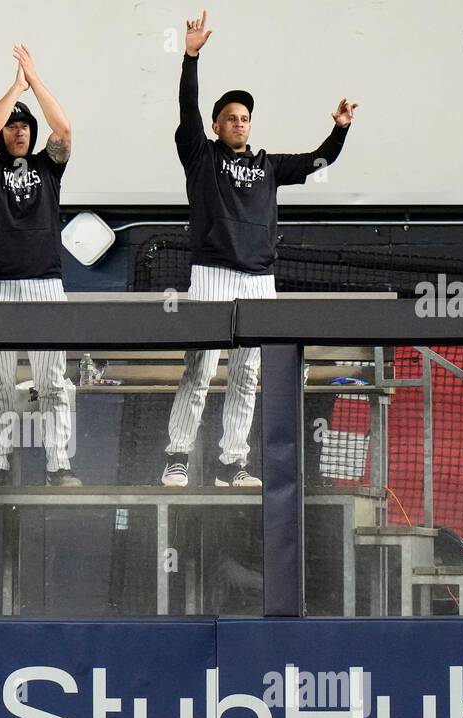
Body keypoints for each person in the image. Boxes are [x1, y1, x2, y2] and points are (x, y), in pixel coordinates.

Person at [161, 11, 356, 488]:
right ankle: (178, 456)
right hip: (212, 273)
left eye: (245, 118)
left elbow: (318, 160)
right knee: (201, 370)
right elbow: (187, 108)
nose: (240, 124)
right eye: (231, 118)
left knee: (247, 373)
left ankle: (233, 462)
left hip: (259, 278)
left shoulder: (269, 166)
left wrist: (340, 129)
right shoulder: (200, 156)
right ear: (216, 125)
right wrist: (191, 55)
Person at [0, 44, 80, 487]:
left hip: (45, 285)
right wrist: (14, 87)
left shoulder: (48, 168)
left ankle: (58, 464)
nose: (18, 132)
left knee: (53, 383)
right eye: (12, 126)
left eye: (24, 126)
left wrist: (34, 82)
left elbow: (65, 128)